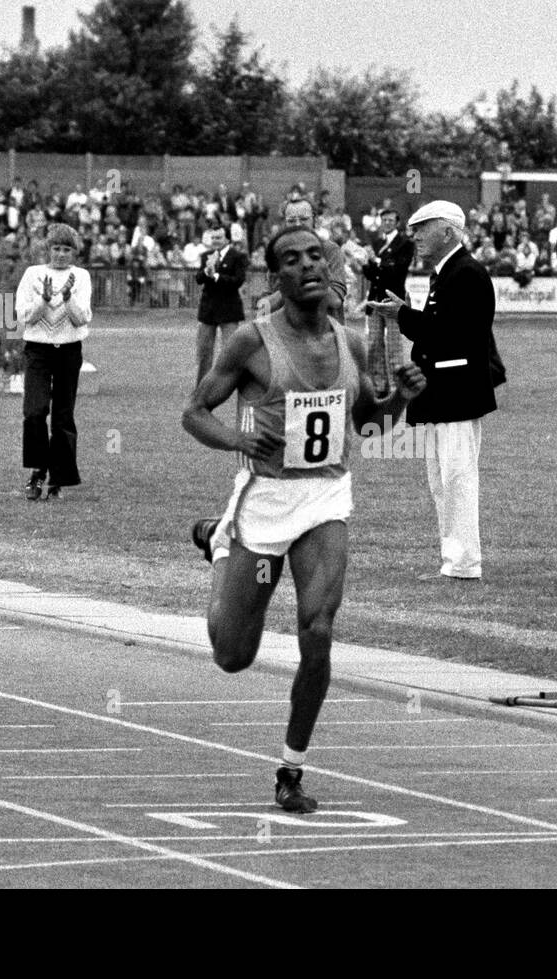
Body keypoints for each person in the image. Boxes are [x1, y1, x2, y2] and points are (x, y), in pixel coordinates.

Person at [183, 227, 426, 812]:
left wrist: (402, 400)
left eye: (316, 254)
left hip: (325, 500)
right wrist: (240, 437)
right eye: (291, 260)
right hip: (265, 501)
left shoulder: (352, 343)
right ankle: (221, 540)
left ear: (329, 264)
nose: (307, 265)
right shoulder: (250, 342)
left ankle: (291, 769)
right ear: (277, 280)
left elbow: (367, 425)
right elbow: (194, 413)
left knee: (317, 628)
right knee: (232, 656)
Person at [370, 200, 499, 581]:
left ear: (447, 232)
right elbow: (438, 329)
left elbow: (453, 333)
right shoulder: (446, 274)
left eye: (422, 228)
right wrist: (405, 315)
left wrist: (403, 317)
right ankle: (453, 560)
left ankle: (464, 563)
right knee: (441, 482)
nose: (415, 236)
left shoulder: (467, 274)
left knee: (457, 479)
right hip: (442, 392)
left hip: (457, 392)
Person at [15, 223, 92, 501]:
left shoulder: (81, 277)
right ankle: (37, 471)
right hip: (38, 350)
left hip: (68, 350)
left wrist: (68, 297)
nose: (61, 254)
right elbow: (26, 316)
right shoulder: (33, 274)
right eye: (56, 248)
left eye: (67, 249)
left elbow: (82, 317)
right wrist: (43, 300)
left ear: (75, 252)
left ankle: (58, 479)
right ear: (48, 249)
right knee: (34, 411)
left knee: (63, 416)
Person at [362, 208, 415, 396]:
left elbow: (398, 269)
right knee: (374, 344)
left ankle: (395, 385)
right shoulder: (377, 243)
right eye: (384, 220)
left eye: (390, 220)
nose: (387, 223)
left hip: (393, 299)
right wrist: (366, 264)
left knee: (394, 345)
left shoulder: (405, 244)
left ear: (397, 222)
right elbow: (370, 274)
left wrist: (375, 260)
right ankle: (379, 385)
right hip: (376, 298)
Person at [194, 225, 247, 385]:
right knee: (204, 351)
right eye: (213, 237)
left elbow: (238, 280)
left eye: (219, 237)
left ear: (227, 239)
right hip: (208, 309)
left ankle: (230, 383)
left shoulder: (237, 256)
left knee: (231, 350)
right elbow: (198, 279)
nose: (216, 241)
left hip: (229, 309)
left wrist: (216, 276)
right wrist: (206, 272)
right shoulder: (206, 256)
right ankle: (202, 385)